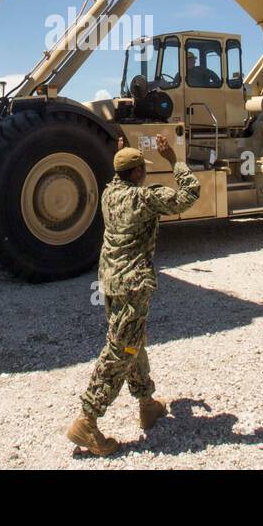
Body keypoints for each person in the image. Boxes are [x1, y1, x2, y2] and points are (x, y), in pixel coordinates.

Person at [67, 134, 200, 455]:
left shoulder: (109, 193)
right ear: (139, 173)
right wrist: (174, 159)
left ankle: (146, 404)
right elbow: (190, 193)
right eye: (143, 170)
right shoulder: (143, 199)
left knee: (132, 341)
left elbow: (121, 175)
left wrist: (122, 155)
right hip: (132, 285)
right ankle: (87, 420)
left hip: (110, 282)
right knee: (122, 349)